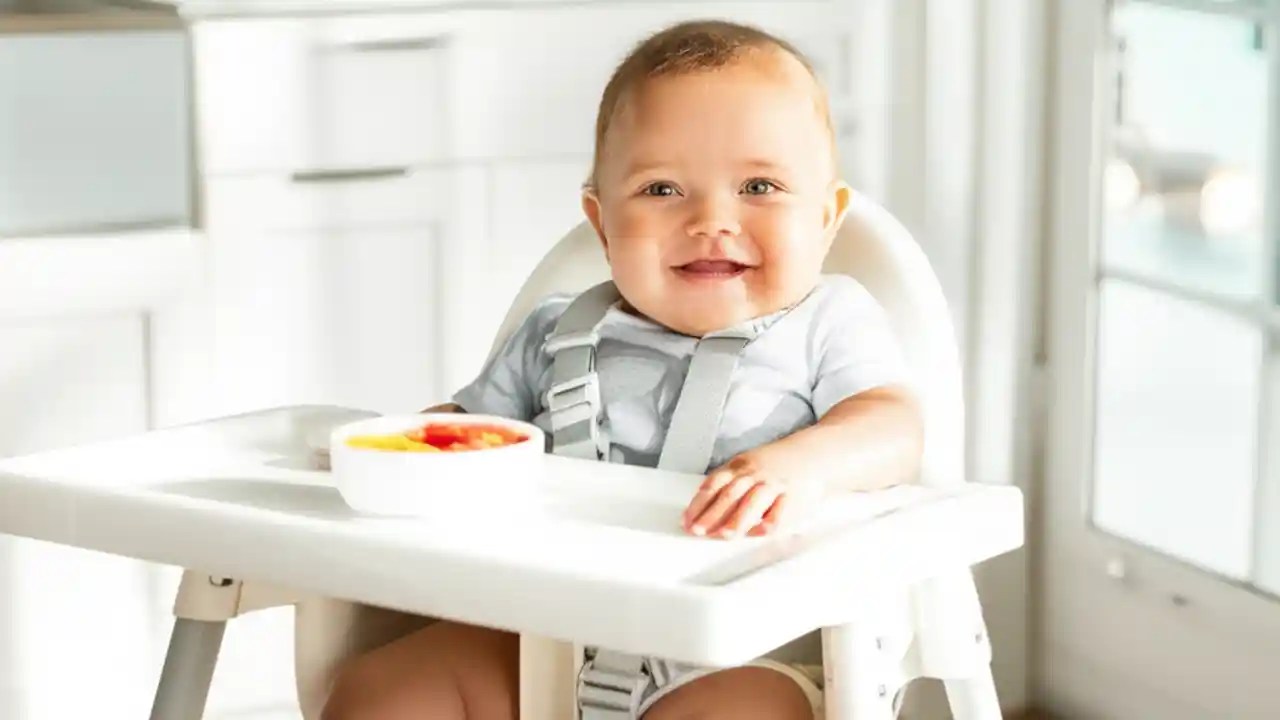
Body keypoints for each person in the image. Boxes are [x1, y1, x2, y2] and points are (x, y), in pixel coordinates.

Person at [322, 18, 924, 720]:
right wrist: (396, 451)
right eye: (663, 189)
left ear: (826, 219)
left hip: (746, 652)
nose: (711, 219)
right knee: (382, 692)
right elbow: (468, 435)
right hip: (545, 630)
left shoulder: (829, 321)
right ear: (601, 221)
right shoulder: (558, 331)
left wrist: (800, 467)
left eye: (759, 186)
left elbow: (893, 426)